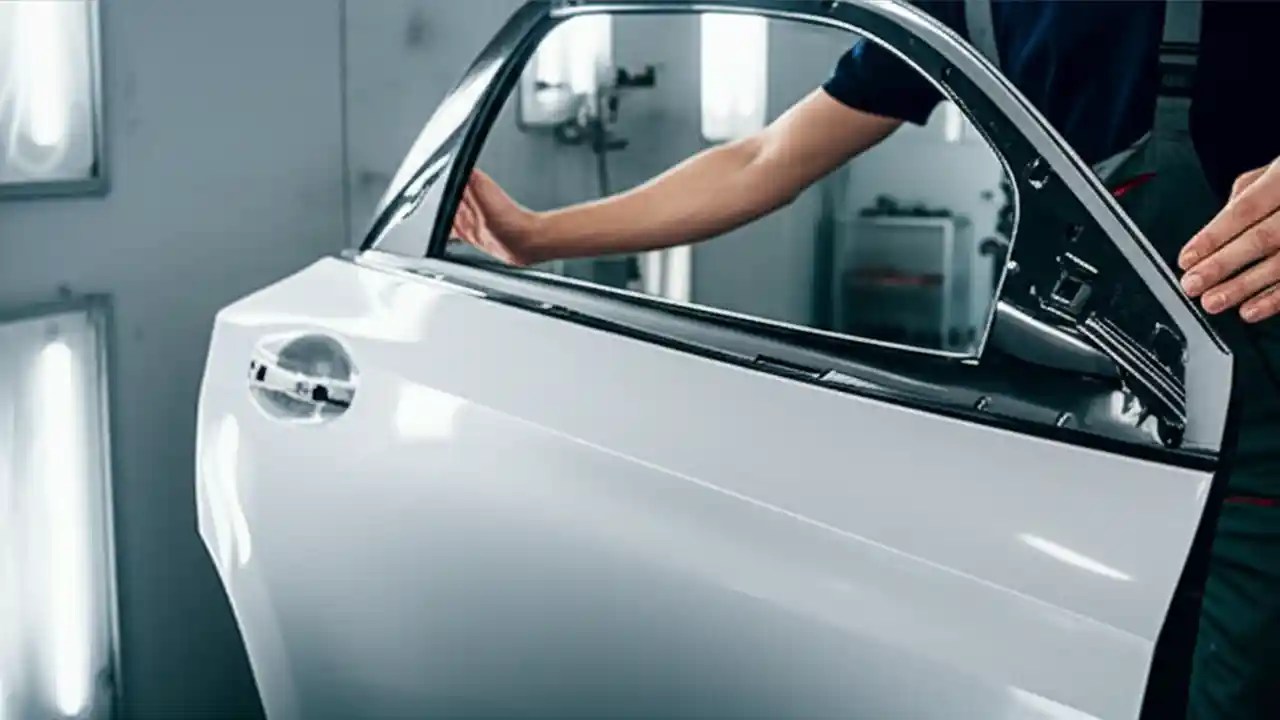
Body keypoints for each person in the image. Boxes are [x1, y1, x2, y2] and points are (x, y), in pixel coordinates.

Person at [452, 2, 1280, 717]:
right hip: (1095, 438)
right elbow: (764, 159)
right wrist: (538, 236)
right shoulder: (963, 7)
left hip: (1260, 444)